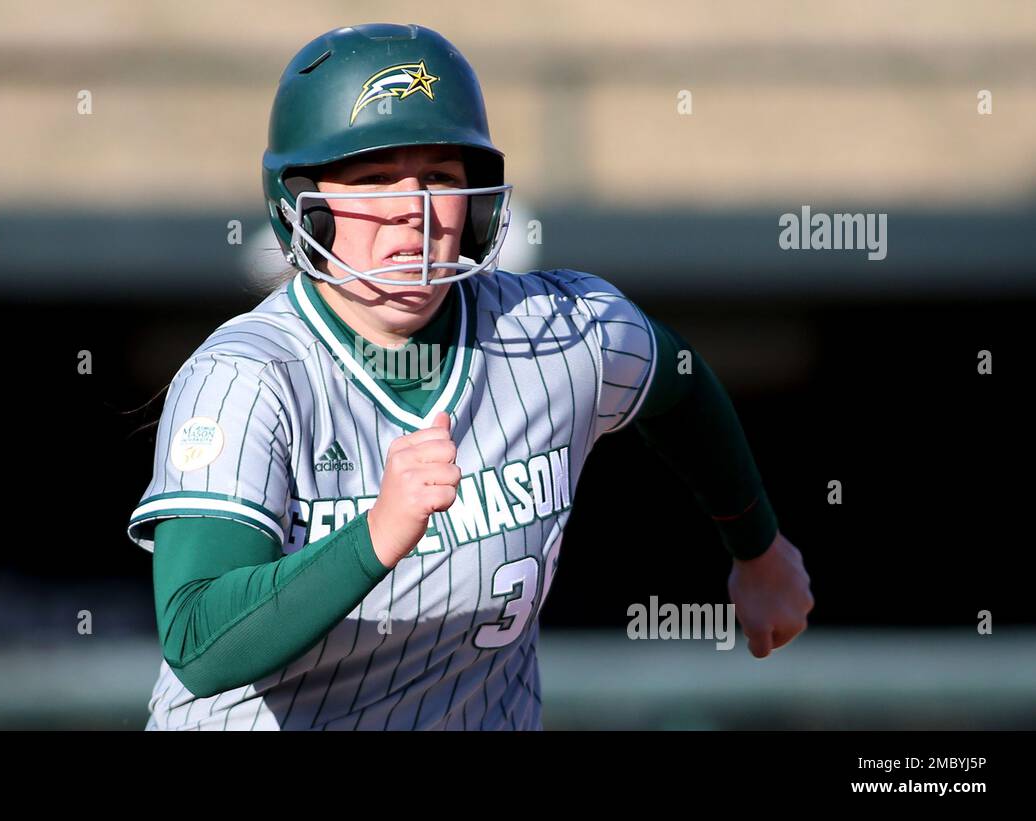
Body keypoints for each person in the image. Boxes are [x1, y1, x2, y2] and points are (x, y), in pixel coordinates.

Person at [126, 23, 813, 730]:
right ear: (305, 206)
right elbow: (198, 639)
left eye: (440, 179)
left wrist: (758, 547)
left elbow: (680, 381)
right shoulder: (246, 378)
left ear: (479, 203)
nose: (411, 209)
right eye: (372, 179)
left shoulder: (556, 332)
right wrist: (376, 534)